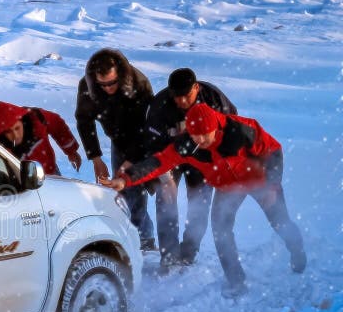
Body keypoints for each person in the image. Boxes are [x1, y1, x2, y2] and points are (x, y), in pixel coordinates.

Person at [100, 103, 306, 298]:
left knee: (280, 222)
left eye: (204, 135)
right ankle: (236, 281)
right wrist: (126, 179)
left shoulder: (241, 129)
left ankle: (297, 251)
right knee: (221, 230)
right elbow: (159, 162)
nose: (200, 140)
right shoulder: (188, 145)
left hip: (260, 180)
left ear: (214, 127)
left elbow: (273, 149)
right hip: (227, 187)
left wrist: (272, 183)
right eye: (195, 135)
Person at [145, 68, 237, 271]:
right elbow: (152, 144)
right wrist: (159, 175)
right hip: (171, 157)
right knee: (165, 201)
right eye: (177, 97)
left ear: (196, 87)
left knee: (200, 205)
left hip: (203, 158)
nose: (182, 102)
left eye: (187, 96)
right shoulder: (159, 107)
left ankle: (188, 253)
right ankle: (168, 255)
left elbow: (231, 128)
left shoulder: (214, 99)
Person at [75, 48, 155, 250]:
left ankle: (143, 240)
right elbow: (84, 120)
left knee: (134, 187)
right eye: (103, 85)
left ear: (120, 74)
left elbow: (146, 126)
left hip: (142, 138)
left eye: (112, 83)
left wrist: (131, 159)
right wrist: (95, 158)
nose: (108, 88)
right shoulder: (88, 85)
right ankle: (133, 236)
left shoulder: (139, 84)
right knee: (120, 190)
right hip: (117, 138)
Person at [0, 101, 82, 175]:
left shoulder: (37, 118)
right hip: (23, 182)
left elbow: (57, 124)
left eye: (17, 128)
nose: (16, 135)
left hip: (50, 172)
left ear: (22, 121)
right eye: (8, 132)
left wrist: (71, 151)